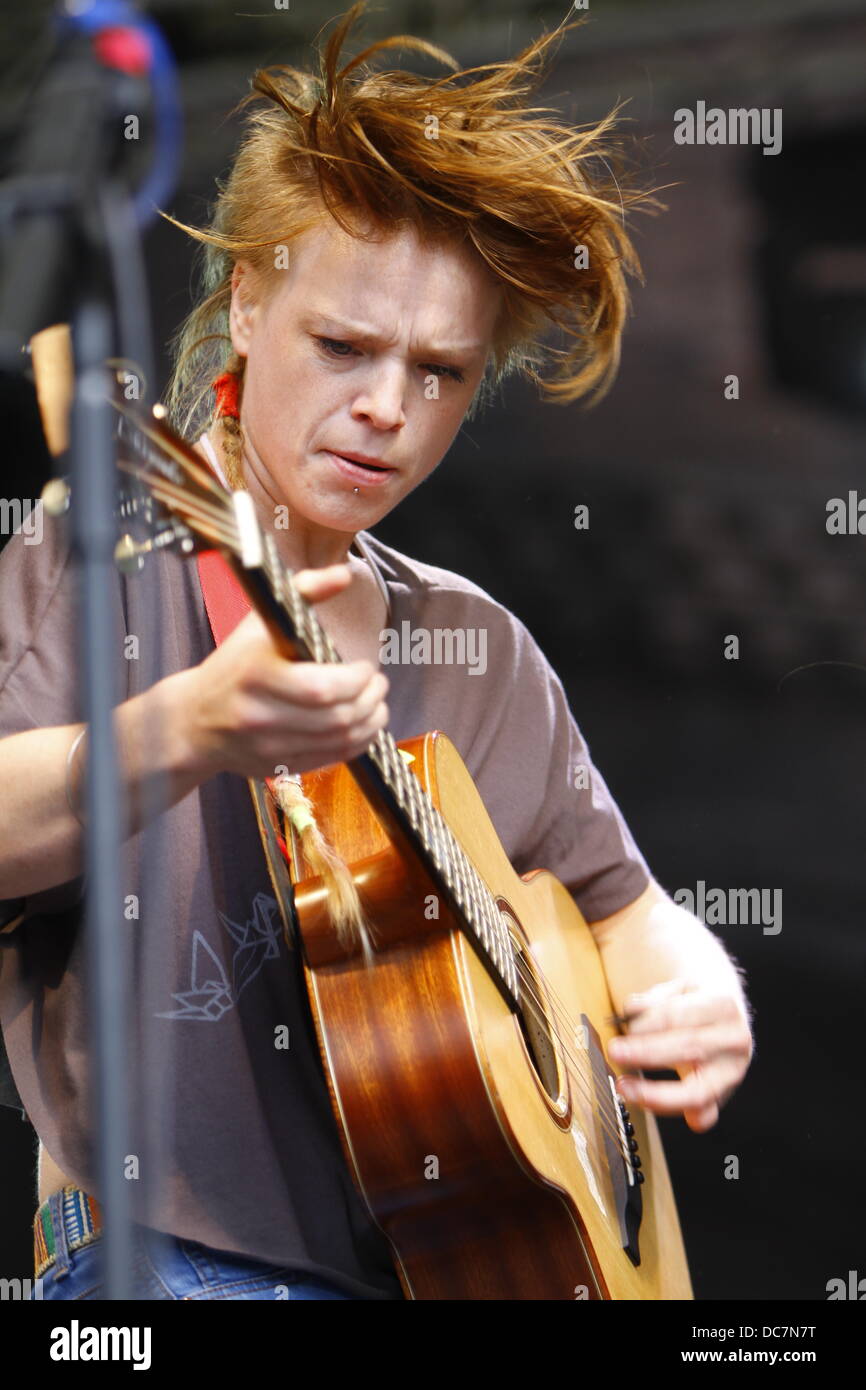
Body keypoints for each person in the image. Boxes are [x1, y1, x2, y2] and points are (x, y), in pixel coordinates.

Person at [0, 6, 753, 1301]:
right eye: (343, 346)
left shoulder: (484, 654)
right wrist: (182, 729)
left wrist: (700, 989)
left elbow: (631, 918)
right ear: (247, 302)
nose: (386, 409)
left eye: (440, 372)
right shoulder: (101, 563)